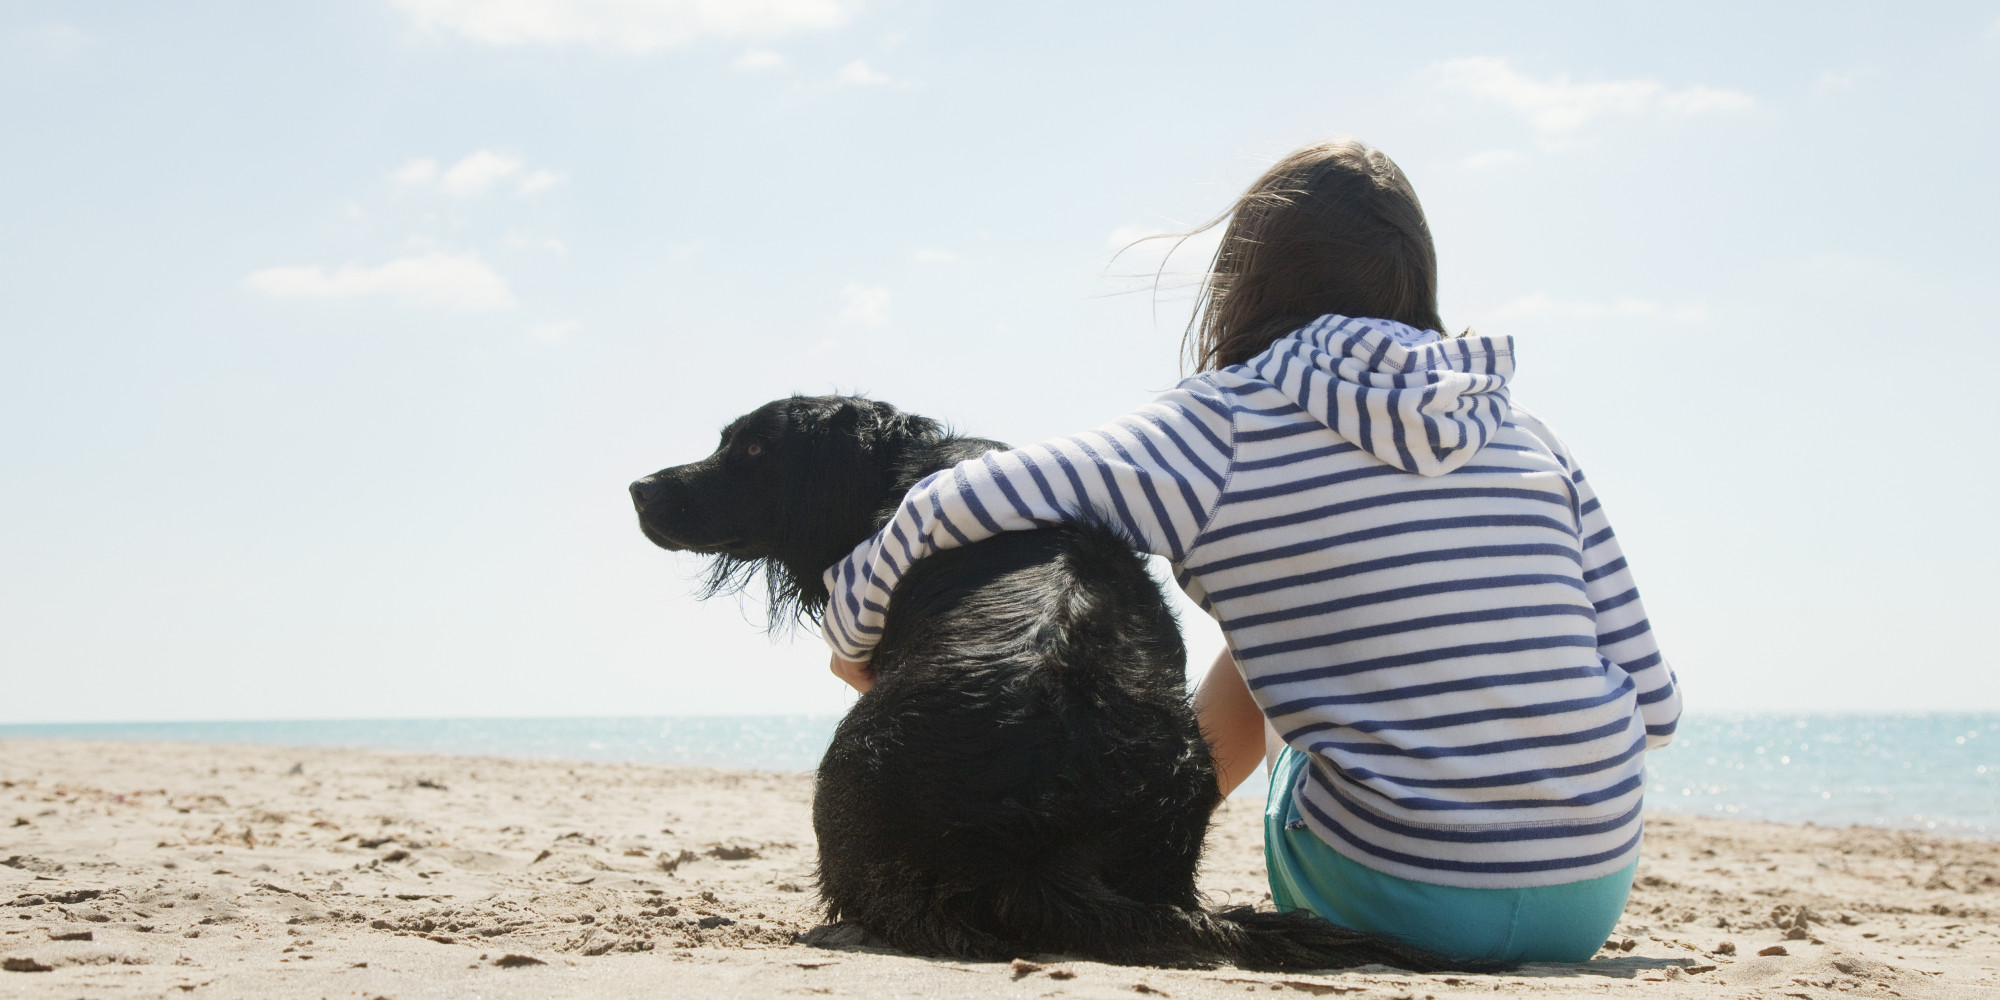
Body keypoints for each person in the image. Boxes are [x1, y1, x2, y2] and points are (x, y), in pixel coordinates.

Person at [818, 137, 1680, 965]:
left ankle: (1139, 850)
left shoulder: (1228, 419)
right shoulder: (1526, 431)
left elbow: (958, 498)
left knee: (1281, 654)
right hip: (1587, 897)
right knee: (1291, 626)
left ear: (1247, 277)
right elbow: (1657, 705)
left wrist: (856, 639)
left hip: (1400, 892)